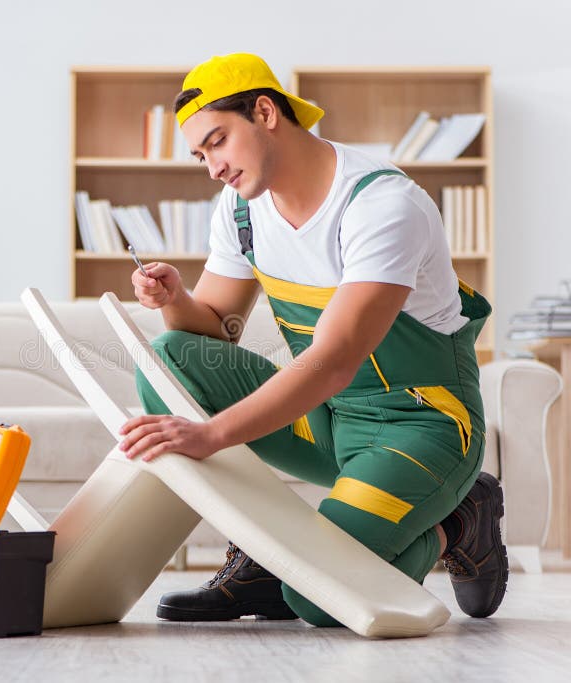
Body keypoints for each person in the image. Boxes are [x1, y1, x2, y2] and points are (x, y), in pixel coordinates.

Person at [118, 53, 507, 626]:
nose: (213, 168)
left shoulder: (379, 204)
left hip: (424, 428)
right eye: (201, 154)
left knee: (320, 601)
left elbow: (332, 362)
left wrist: (210, 435)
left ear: (267, 113)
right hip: (328, 420)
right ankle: (264, 556)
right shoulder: (242, 211)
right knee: (172, 359)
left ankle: (459, 522)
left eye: (218, 141)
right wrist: (175, 300)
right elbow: (219, 326)